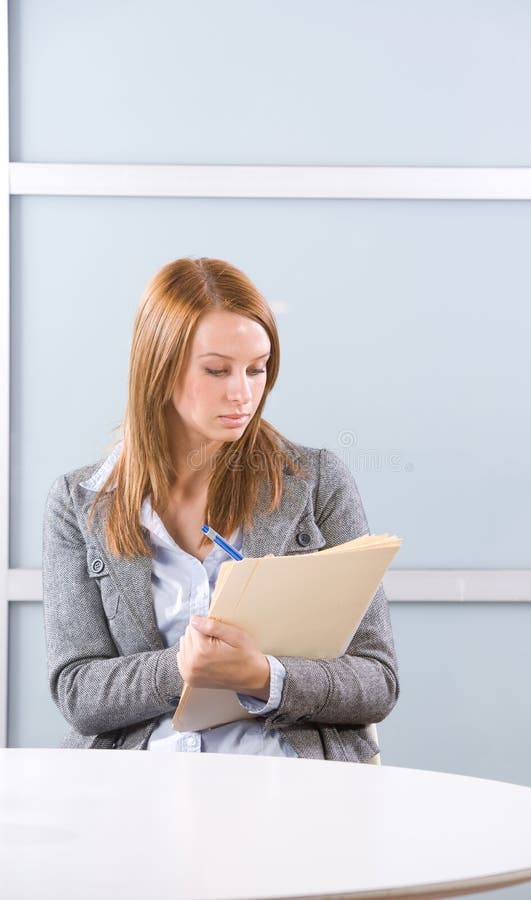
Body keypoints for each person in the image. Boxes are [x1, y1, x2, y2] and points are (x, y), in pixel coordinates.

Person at [42, 257, 399, 761]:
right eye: (217, 370)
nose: (243, 393)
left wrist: (263, 677)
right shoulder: (80, 502)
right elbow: (78, 690)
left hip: (288, 785)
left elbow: (376, 681)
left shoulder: (317, 483)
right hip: (139, 791)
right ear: (160, 368)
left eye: (258, 370)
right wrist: (184, 668)